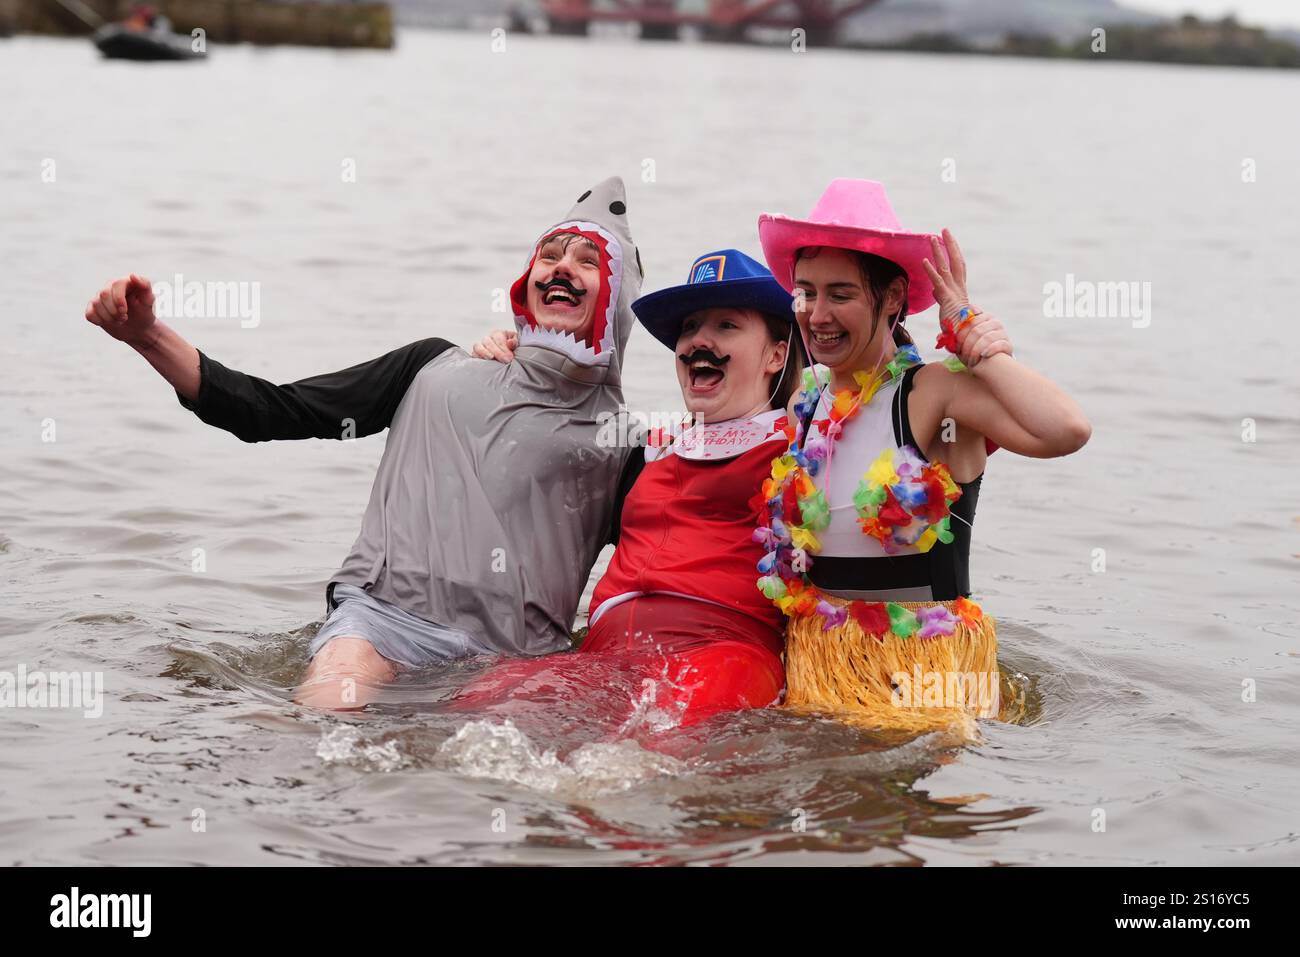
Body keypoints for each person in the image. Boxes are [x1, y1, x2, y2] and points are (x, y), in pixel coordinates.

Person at [82, 177, 644, 709]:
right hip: (381, 624)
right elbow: (273, 412)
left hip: (515, 663)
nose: (561, 268)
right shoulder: (435, 368)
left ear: (616, 301)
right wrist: (147, 336)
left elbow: (674, 570)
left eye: (587, 262)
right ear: (527, 279)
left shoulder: (625, 447)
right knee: (332, 706)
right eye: (549, 256)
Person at [752, 179, 1091, 728]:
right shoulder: (807, 400)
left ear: (890, 300)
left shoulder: (936, 392)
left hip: (924, 672)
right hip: (817, 661)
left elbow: (1067, 430)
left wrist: (977, 343)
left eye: (840, 294)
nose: (816, 314)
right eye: (806, 292)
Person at [455, 249, 803, 730]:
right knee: (480, 705)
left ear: (776, 354)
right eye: (689, 327)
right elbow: (551, 430)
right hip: (606, 653)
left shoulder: (805, 444)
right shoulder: (645, 448)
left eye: (727, 326)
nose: (699, 340)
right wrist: (512, 362)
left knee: (653, 752)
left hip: (725, 652)